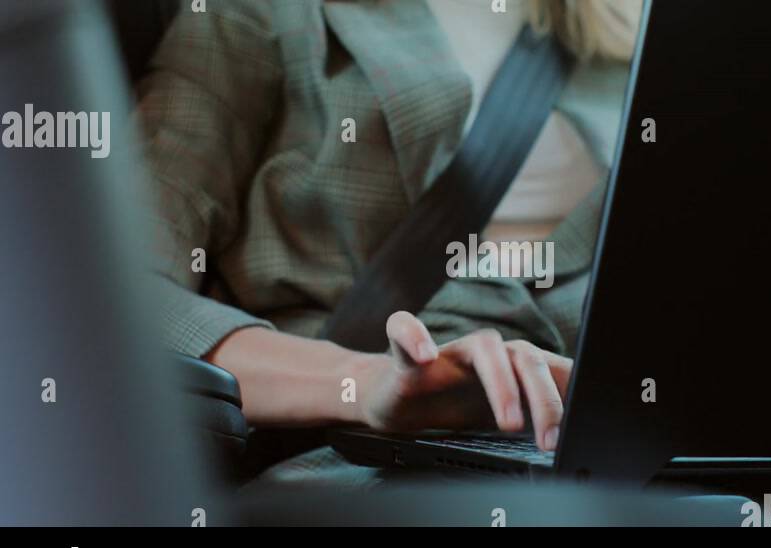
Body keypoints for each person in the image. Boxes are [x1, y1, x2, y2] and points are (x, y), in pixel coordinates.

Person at [137, 0, 641, 459]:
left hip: (608, 436)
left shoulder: (636, 38)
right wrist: (362, 381)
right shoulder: (267, 14)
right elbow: (111, 293)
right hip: (362, 453)